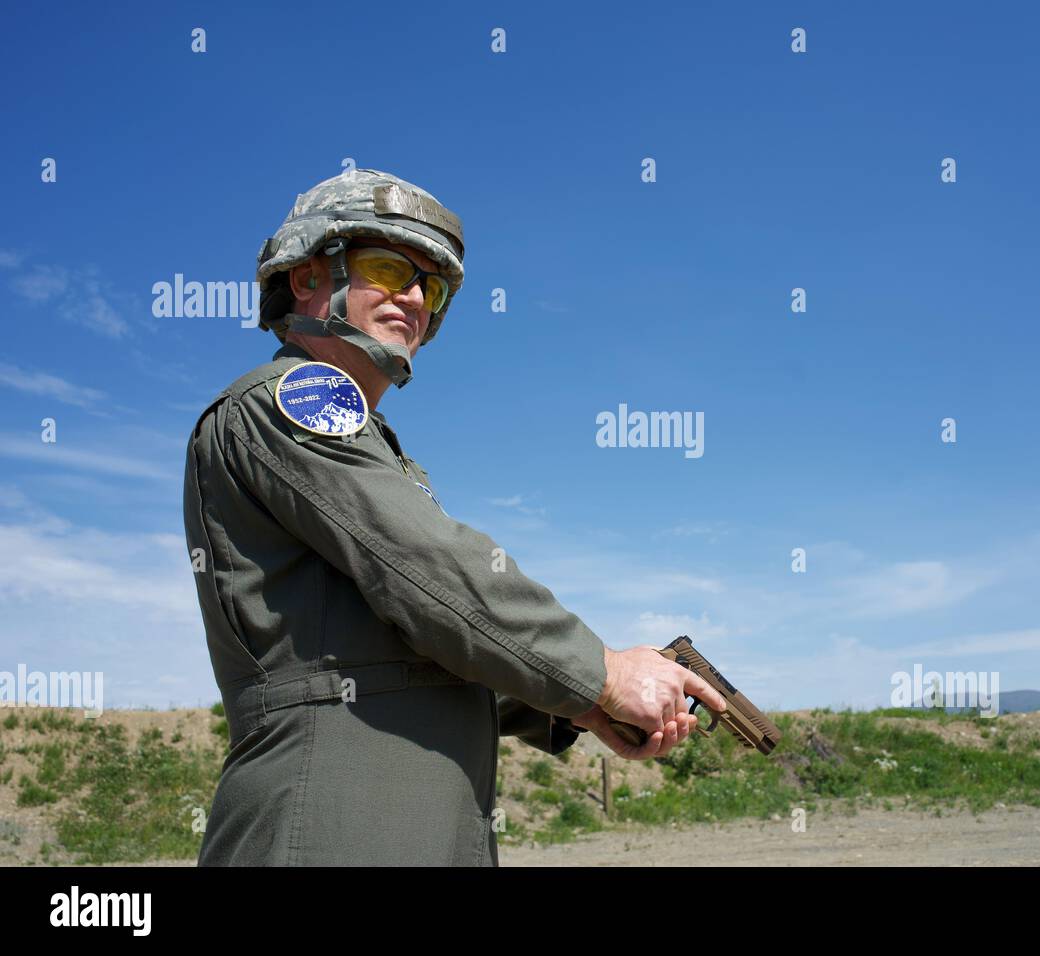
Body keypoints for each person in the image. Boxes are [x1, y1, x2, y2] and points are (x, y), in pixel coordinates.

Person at [183, 168, 725, 865]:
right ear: (308, 277)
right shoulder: (287, 400)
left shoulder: (375, 447)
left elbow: (416, 643)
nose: (413, 296)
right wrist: (606, 674)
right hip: (333, 822)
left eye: (430, 287)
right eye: (388, 267)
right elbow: (432, 570)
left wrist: (579, 705)